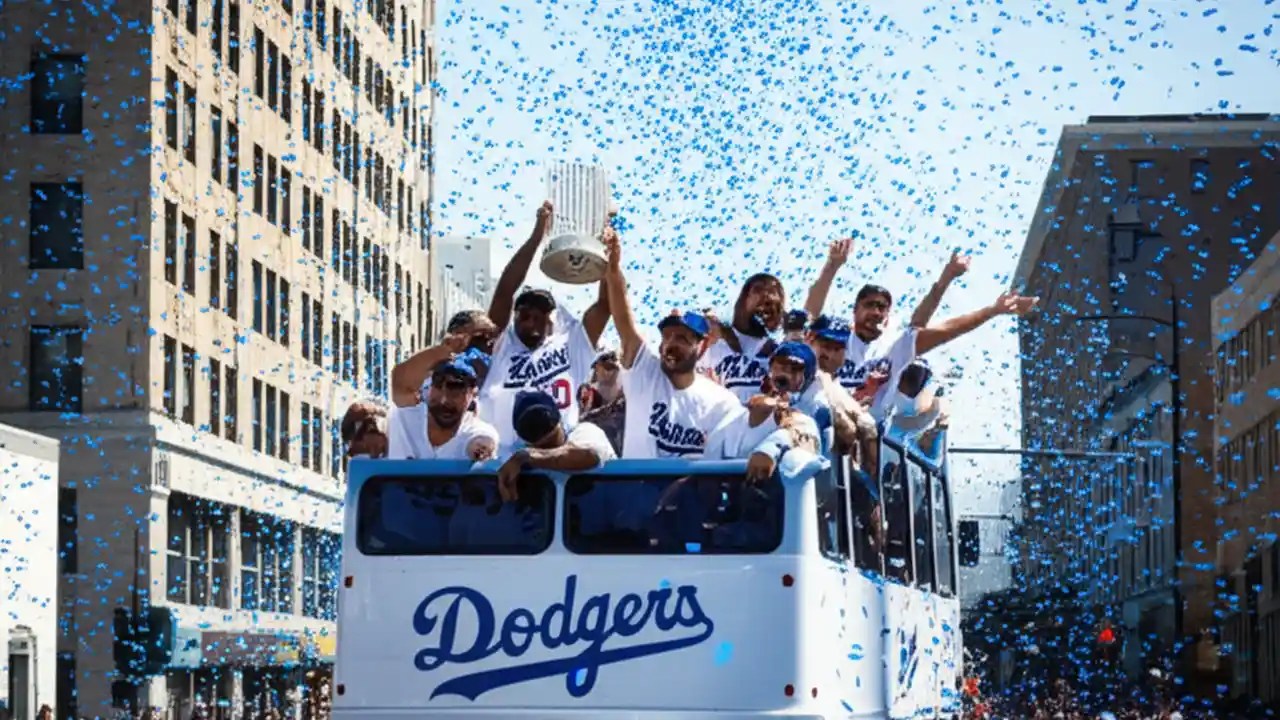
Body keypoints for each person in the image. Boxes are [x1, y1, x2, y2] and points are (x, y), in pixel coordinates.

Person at [603, 228, 780, 459]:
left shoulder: (721, 401)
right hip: (637, 490)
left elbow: (739, 446)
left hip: (689, 493)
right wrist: (614, 268)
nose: (672, 344)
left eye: (683, 339)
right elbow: (624, 322)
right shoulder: (644, 372)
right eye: (668, 336)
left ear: (702, 347)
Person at [480, 201, 612, 452]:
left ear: (551, 317)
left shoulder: (571, 344)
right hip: (504, 461)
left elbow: (605, 305)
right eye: (525, 311)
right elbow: (506, 290)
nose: (532, 318)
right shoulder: (499, 345)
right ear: (514, 315)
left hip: (560, 454)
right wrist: (537, 237)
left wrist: (604, 250)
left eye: (540, 312)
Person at [496, 390, 617, 500]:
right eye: (540, 445)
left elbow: (587, 456)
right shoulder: (514, 459)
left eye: (550, 439)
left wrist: (527, 457)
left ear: (559, 421)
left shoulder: (586, 432)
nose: (539, 428)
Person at [698, 269, 789, 403]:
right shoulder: (712, 339)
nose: (766, 295)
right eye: (758, 290)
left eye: (773, 292)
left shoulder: (782, 352)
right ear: (744, 299)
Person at [386, 356, 499, 461]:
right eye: (438, 386)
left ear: (473, 394)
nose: (444, 400)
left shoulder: (479, 431)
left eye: (455, 391)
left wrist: (481, 451)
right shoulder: (401, 419)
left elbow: (482, 441)